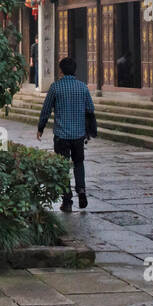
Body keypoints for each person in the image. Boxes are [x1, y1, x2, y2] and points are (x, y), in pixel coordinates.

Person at [37, 56, 97, 212]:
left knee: (63, 166)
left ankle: (67, 200)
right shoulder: (82, 87)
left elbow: (46, 109)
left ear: (61, 71)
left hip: (61, 135)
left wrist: (40, 127)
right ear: (75, 70)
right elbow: (90, 109)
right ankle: (81, 189)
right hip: (78, 134)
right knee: (78, 163)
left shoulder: (55, 87)